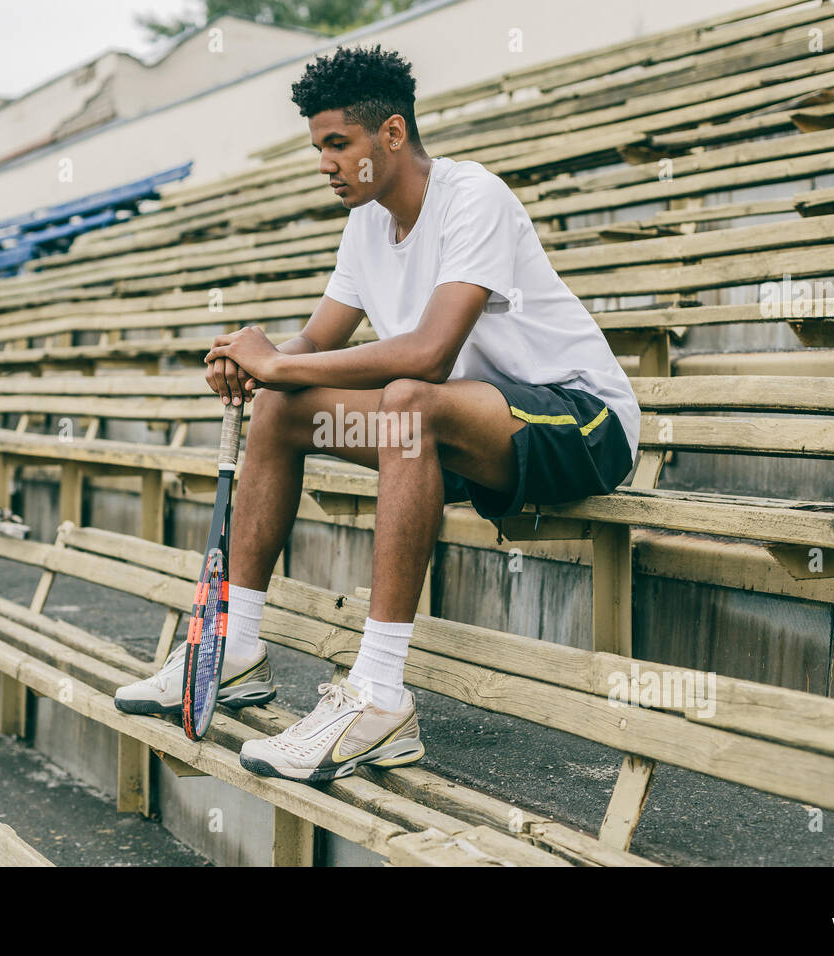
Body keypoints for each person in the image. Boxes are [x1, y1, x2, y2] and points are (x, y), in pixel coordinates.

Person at [115, 44, 640, 785]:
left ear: (391, 134)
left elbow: (427, 354)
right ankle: (233, 651)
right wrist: (251, 359)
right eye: (317, 147)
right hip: (466, 435)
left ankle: (379, 695)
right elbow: (312, 345)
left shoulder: (473, 197)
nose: (325, 163)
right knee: (282, 412)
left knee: (405, 403)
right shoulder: (365, 223)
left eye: (339, 144)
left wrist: (282, 363)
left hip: (580, 426)